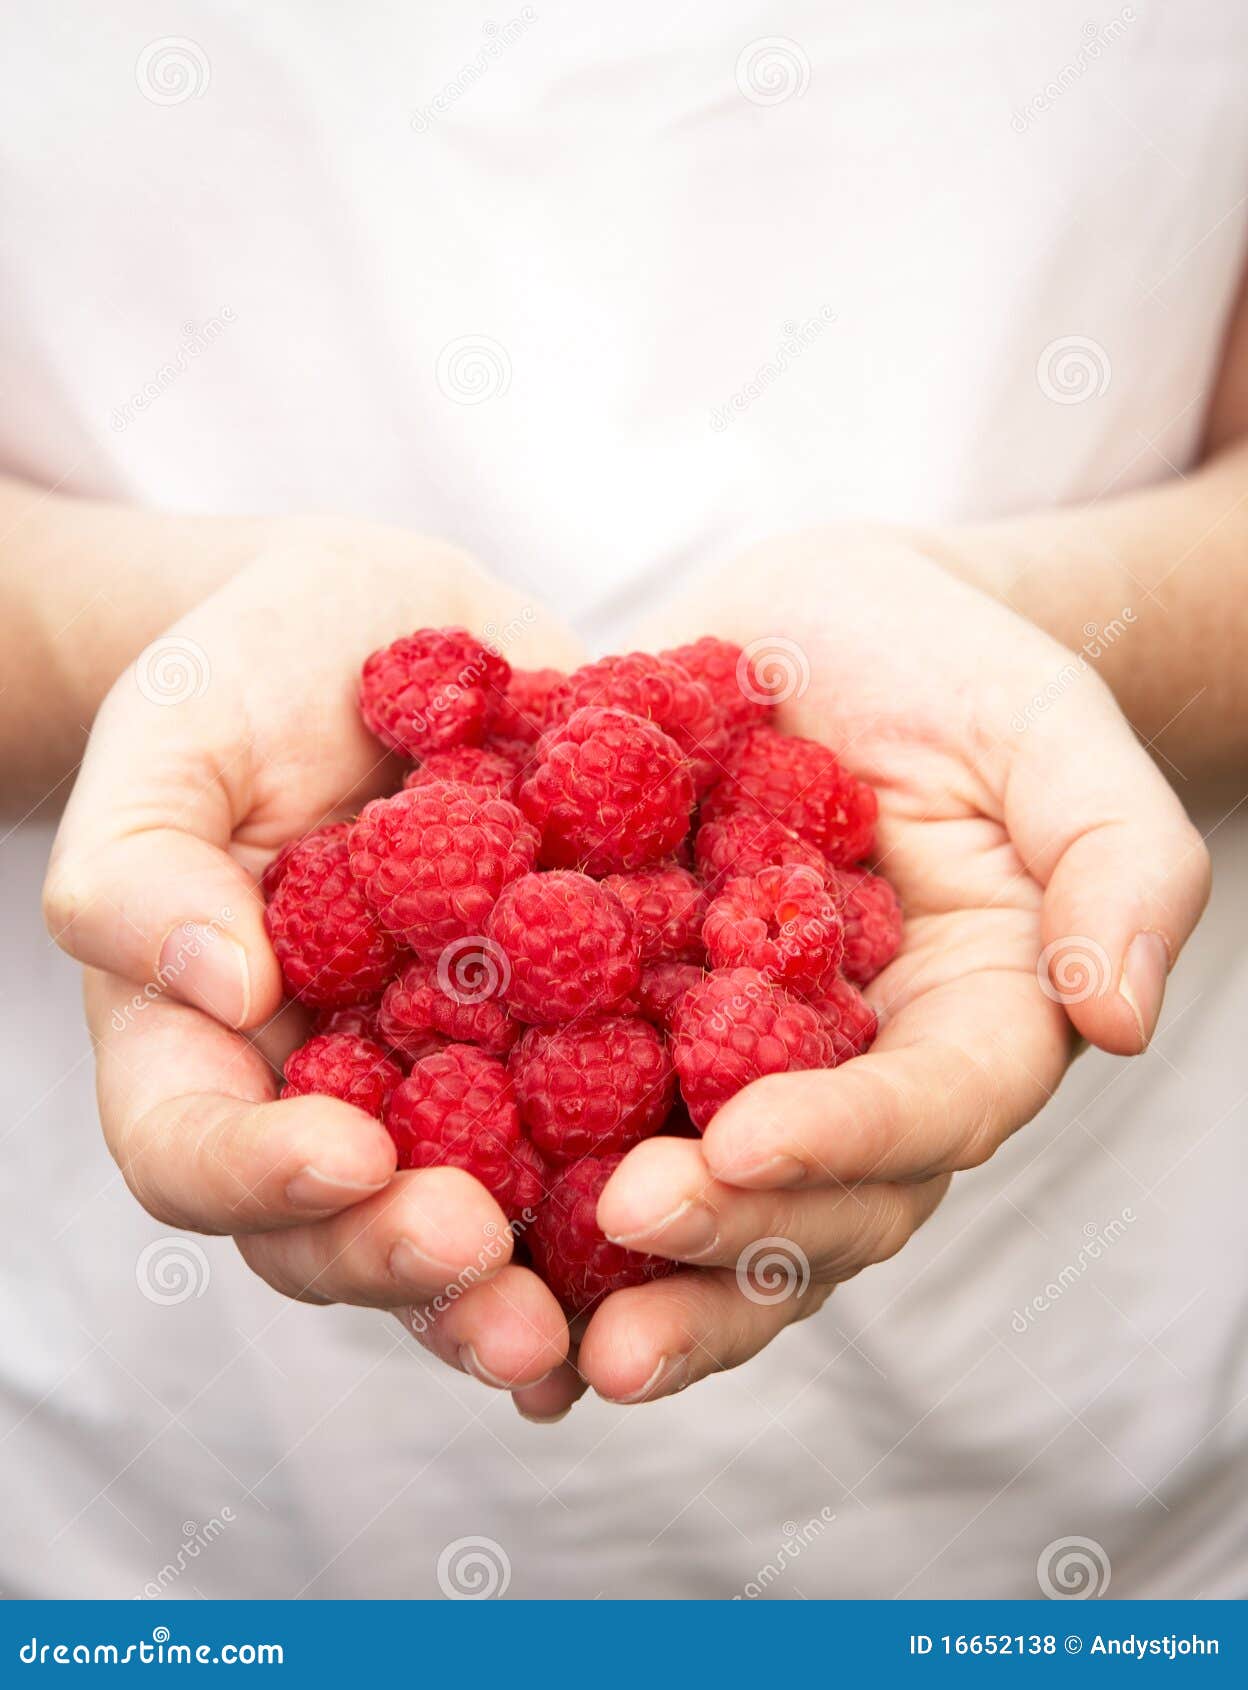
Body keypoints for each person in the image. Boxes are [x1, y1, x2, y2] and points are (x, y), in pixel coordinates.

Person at [1, 0, 1244, 1599]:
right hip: (162, 1495)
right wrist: (146, 661)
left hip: (1083, 1454)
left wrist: (1059, 632)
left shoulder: (725, 885)